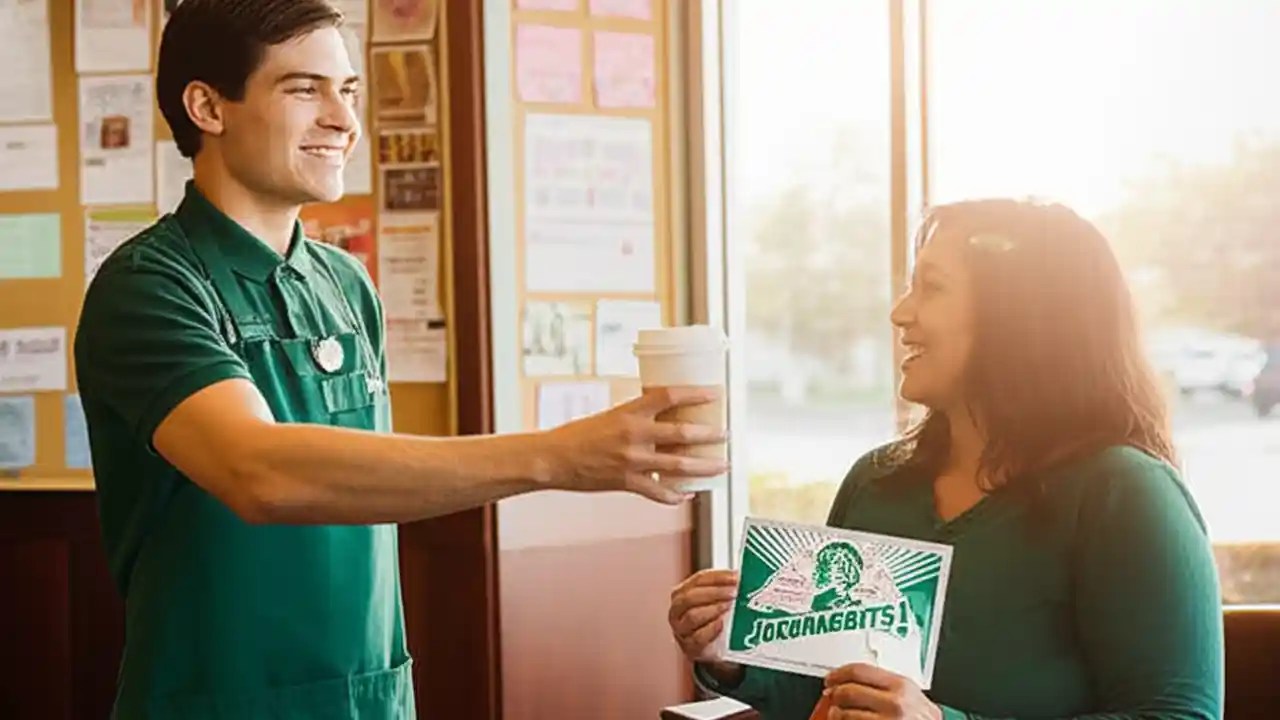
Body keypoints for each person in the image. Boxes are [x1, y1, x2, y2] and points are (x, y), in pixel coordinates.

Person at [73, 1, 726, 717]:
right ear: (207, 106)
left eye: (348, 91)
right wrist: (561, 455)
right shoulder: (150, 285)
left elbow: (370, 481)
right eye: (304, 89)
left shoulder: (346, 283)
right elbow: (259, 471)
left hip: (372, 698)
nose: (343, 120)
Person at [668, 199, 1224, 719]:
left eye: (931, 288)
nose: (900, 313)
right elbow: (828, 688)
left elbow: (1179, 714)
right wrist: (733, 656)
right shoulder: (877, 483)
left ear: (1020, 315)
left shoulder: (1125, 495)